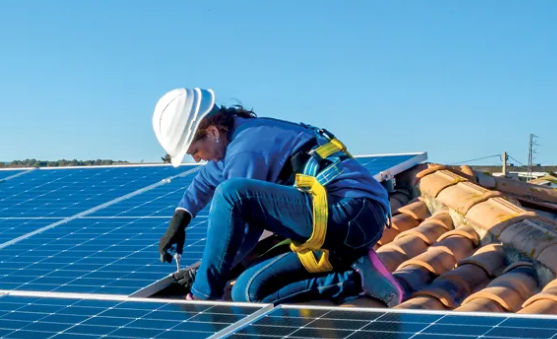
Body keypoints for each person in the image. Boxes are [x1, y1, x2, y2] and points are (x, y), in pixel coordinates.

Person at [152, 88, 403, 306]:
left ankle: (204, 297)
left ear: (213, 132)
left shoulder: (248, 147)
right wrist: (180, 220)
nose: (196, 159)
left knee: (230, 195)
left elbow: (242, 230)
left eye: (195, 151)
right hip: (333, 234)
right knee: (247, 292)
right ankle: (358, 278)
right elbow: (206, 179)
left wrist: (203, 282)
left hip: (352, 212)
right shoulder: (234, 141)